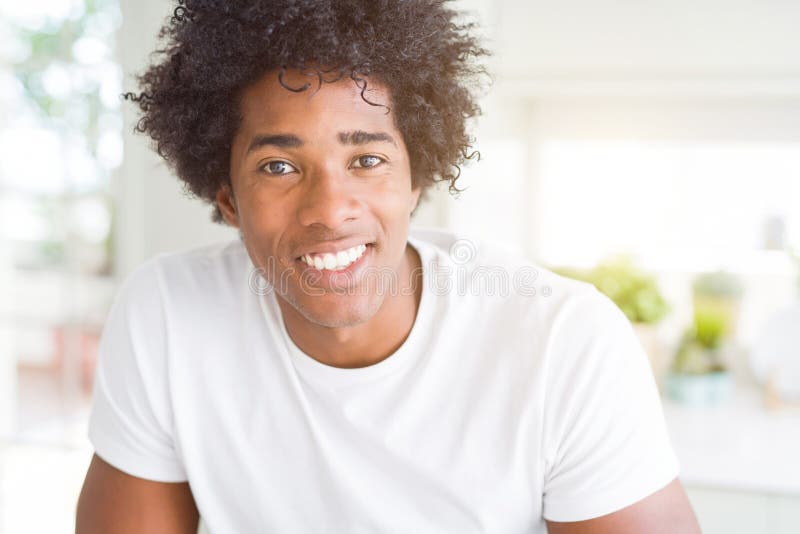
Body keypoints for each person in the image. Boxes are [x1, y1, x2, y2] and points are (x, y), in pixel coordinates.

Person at [76, 1, 701, 532]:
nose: (329, 210)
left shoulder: (563, 342)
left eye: (367, 160)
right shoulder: (165, 314)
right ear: (227, 198)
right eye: (279, 166)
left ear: (415, 180)